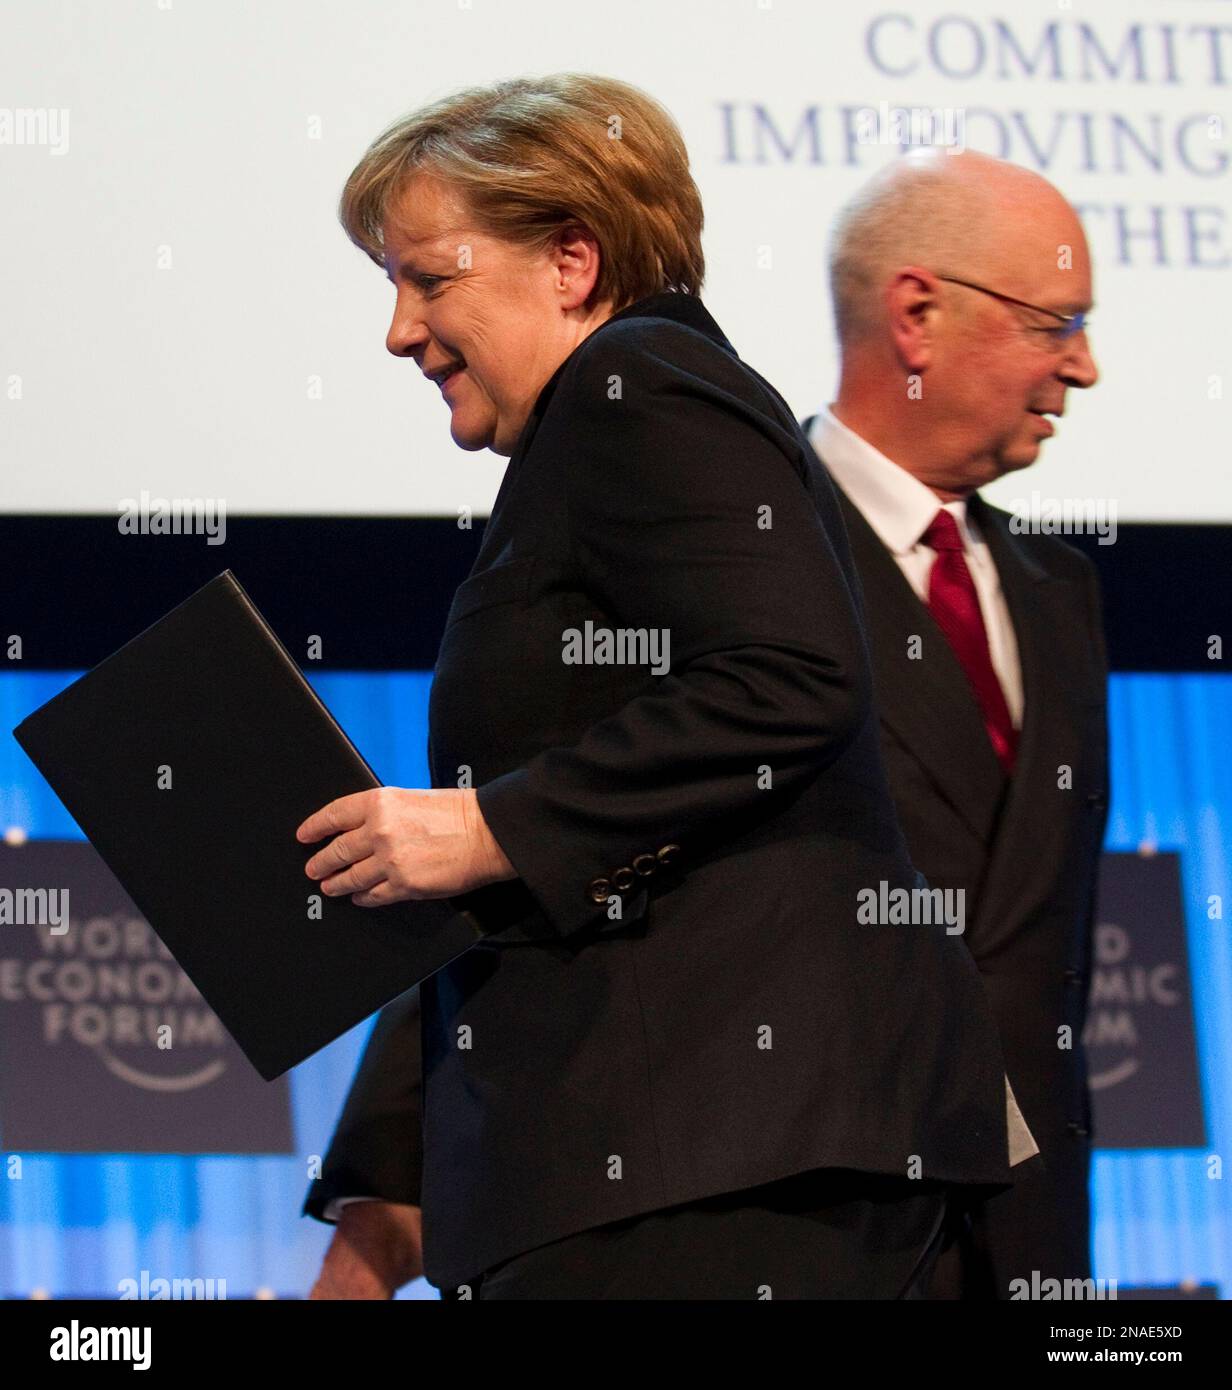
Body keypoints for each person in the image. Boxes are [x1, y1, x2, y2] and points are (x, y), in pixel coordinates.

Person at [298, 75, 1025, 1300]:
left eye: (430, 279)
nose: (400, 331)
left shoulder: (638, 383)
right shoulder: (605, 415)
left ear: (570, 261)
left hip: (710, 1155)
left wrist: (487, 825)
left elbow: (791, 675)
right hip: (673, 1151)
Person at [804, 149, 1108, 1297]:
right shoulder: (733, 545)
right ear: (917, 315)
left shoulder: (1056, 591)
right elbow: (549, 839)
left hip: (1034, 1241)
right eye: (1055, 323)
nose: (1083, 365)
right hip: (819, 1233)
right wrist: (395, 1187)